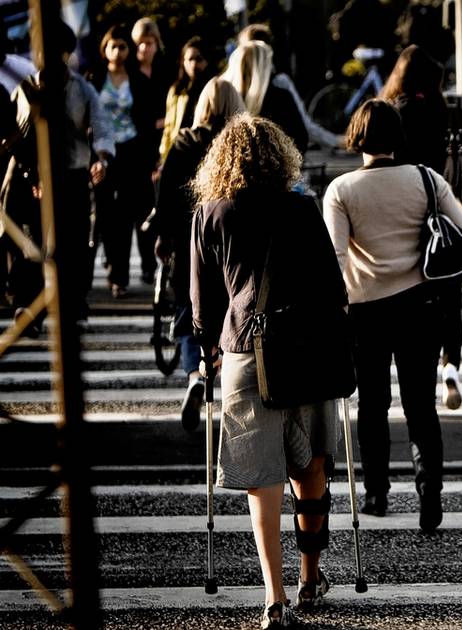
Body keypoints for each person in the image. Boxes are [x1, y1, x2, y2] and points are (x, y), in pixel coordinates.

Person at [190, 114, 342, 628]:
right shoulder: (302, 208)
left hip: (241, 353)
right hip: (301, 351)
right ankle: (309, 575)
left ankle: (272, 597)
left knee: (263, 482)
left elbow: (202, 302)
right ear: (281, 157)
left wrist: (209, 349)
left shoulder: (210, 214)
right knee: (311, 467)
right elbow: (331, 287)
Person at [322, 99, 462, 526]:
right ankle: (430, 495)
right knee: (421, 406)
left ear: (358, 136)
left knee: (372, 404)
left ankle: (376, 493)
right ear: (397, 135)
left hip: (365, 309)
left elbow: (335, 257)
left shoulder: (342, 190)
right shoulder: (426, 179)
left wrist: (337, 305)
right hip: (419, 304)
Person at [379, 44, 462, 411]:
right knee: (450, 302)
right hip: (453, 228)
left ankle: (421, 375)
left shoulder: (394, 115)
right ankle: (452, 368)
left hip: (408, 226)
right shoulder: (453, 115)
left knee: (415, 303)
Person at [152, 79, 245, 431]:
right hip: (232, 241)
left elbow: (165, 197)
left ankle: (195, 374)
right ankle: (232, 380)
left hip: (187, 240)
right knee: (233, 311)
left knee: (191, 311)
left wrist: (163, 236)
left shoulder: (184, 141)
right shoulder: (238, 143)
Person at [7, 21, 113, 331]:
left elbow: (101, 124)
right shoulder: (25, 89)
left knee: (75, 244)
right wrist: (30, 172)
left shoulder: (82, 88)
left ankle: (72, 305)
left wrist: (102, 157)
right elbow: (14, 137)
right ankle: (29, 308)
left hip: (73, 175)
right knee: (33, 244)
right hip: (33, 179)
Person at [89, 25, 159, 296]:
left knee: (139, 210)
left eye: (122, 46)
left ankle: (147, 266)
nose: (118, 52)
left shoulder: (138, 80)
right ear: (104, 50)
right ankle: (116, 275)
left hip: (134, 152)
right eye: (113, 46)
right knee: (109, 216)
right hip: (104, 153)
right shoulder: (95, 79)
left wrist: (152, 157)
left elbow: (148, 119)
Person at [238, 24, 340, 151]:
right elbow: (304, 129)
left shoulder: (226, 87)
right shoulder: (279, 85)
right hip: (278, 160)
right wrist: (337, 141)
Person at [222, 40, 309, 155]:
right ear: (265, 66)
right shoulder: (280, 98)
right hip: (275, 169)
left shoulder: (224, 99)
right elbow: (300, 140)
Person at [159, 36, 216, 162]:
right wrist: (163, 156)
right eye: (189, 59)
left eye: (199, 59)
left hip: (204, 156)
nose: (194, 64)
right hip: (178, 151)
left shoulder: (214, 90)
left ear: (207, 61)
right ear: (183, 62)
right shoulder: (176, 90)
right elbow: (169, 126)